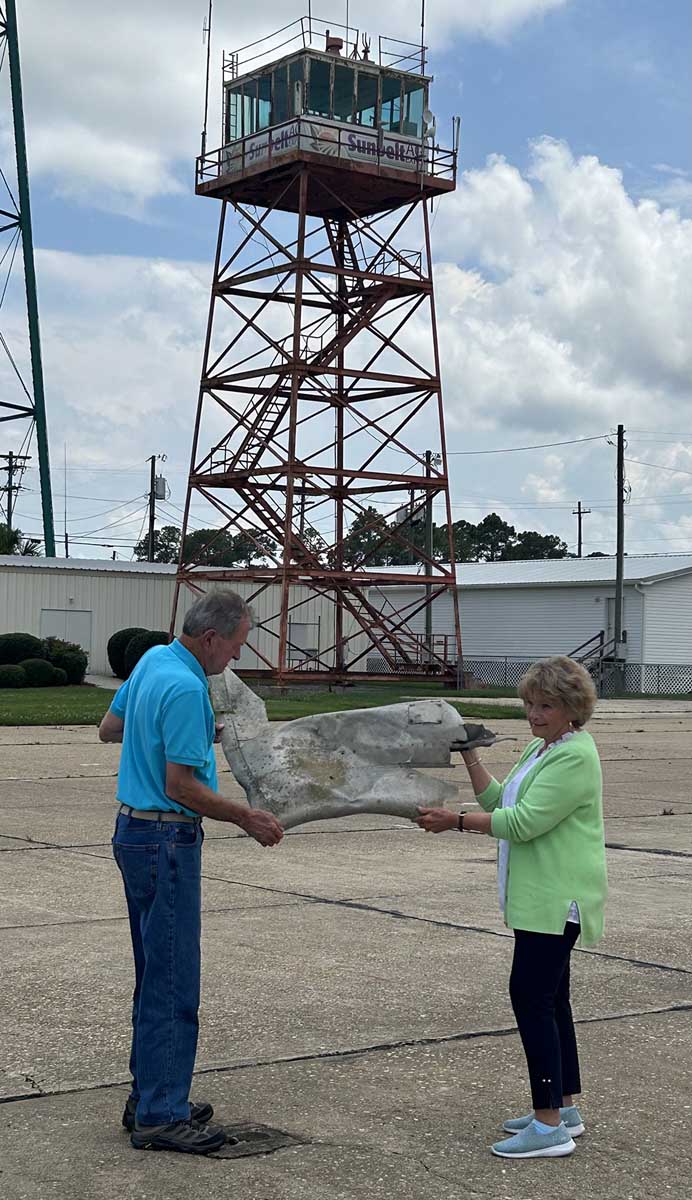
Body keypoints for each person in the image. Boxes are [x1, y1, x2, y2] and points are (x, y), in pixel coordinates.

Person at [99, 590, 284, 1155]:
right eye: (235, 646)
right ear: (211, 638)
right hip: (166, 839)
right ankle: (161, 1114)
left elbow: (110, 729)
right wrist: (246, 816)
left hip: (133, 833)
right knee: (174, 980)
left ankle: (149, 1094)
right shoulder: (186, 687)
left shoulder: (154, 660)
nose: (235, 657)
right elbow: (182, 787)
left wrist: (187, 736)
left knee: (153, 971)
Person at [417, 656, 607, 1160]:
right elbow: (504, 800)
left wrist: (454, 821)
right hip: (535, 898)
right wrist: (471, 756)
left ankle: (548, 1127)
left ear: (572, 708)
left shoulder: (574, 756)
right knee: (552, 999)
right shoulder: (545, 748)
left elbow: (522, 823)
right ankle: (563, 1108)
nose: (535, 714)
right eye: (530, 704)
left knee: (531, 999)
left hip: (554, 897)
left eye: (547, 706)